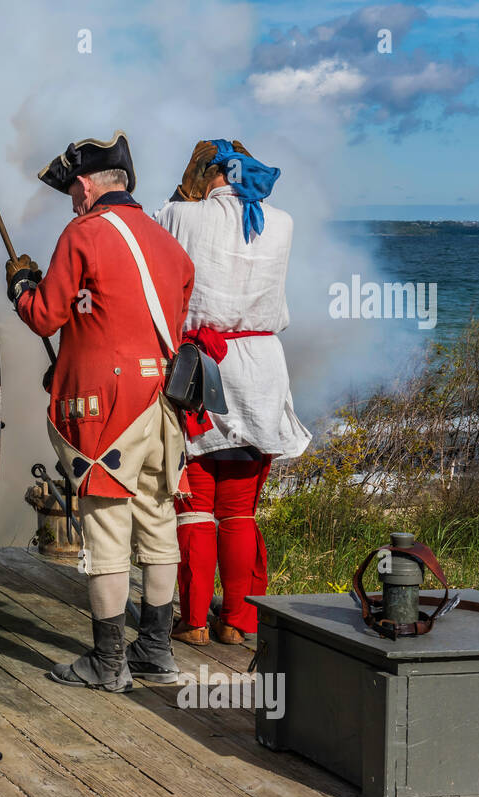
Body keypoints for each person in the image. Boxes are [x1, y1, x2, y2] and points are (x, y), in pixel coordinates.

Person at [6, 131, 195, 692]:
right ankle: (156, 652)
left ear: (86, 186)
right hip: (162, 402)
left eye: (71, 190)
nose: (70, 200)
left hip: (106, 407)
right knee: (159, 520)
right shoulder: (168, 244)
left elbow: (45, 317)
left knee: (106, 530)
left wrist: (21, 284)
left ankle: (108, 664)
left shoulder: (83, 233)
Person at [154, 139, 311, 645]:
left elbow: (155, 235)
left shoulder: (183, 215)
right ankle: (239, 623)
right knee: (239, 510)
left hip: (199, 369)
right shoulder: (282, 223)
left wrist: (185, 188)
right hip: (261, 371)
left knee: (196, 506)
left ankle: (194, 621)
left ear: (205, 172)